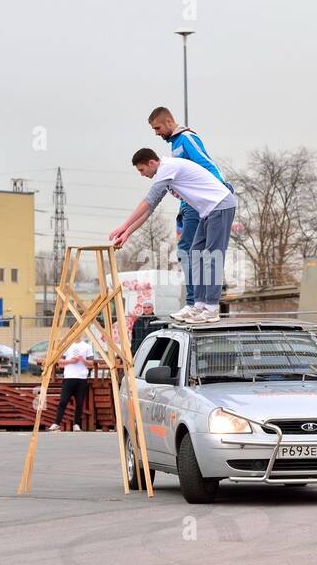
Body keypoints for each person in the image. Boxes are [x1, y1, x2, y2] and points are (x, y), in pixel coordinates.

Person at [110, 149, 236, 323]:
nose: (141, 174)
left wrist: (123, 225)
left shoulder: (167, 167)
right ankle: (198, 305)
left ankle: (212, 308)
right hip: (208, 211)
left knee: (211, 256)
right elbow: (149, 209)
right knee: (194, 254)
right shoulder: (165, 175)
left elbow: (148, 199)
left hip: (221, 204)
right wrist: (127, 233)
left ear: (151, 163)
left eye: (141, 170)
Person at [148, 107, 230, 313]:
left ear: (168, 121)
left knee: (190, 250)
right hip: (188, 205)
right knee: (191, 251)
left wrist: (219, 189)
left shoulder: (186, 138)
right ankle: (196, 302)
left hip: (202, 203)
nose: (156, 133)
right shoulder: (175, 145)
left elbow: (207, 163)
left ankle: (195, 302)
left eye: (157, 128)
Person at [48, 337, 93, 431]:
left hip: (81, 377)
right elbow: (59, 362)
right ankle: (56, 423)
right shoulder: (66, 345)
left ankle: (76, 424)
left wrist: (82, 359)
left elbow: (91, 363)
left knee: (80, 403)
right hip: (69, 376)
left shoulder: (87, 346)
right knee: (63, 401)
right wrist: (70, 361)